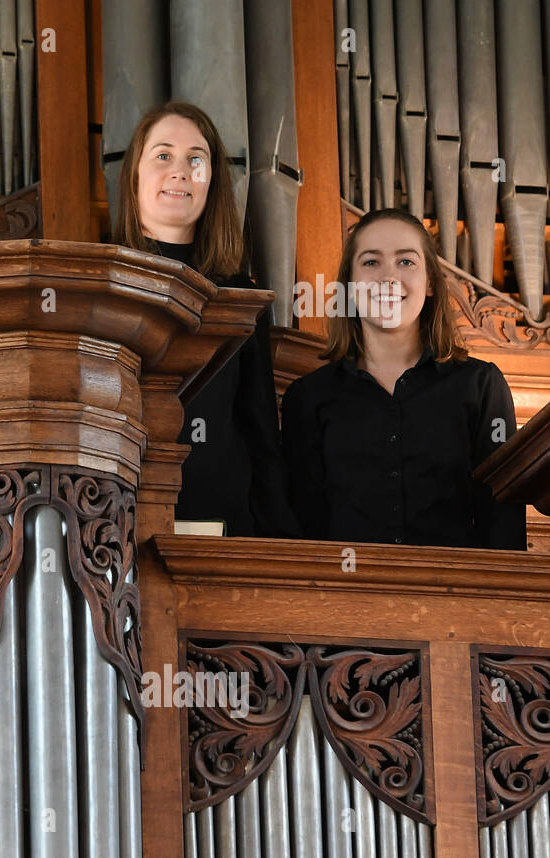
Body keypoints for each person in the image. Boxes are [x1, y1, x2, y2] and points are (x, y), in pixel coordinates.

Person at [282, 207, 526, 550]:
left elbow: (502, 523)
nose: (388, 277)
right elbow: (303, 528)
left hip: (457, 597)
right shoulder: (307, 397)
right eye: (371, 262)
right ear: (350, 287)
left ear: (429, 284)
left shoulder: (480, 385)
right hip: (343, 598)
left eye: (406, 262)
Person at [113, 101, 299, 538]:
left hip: (224, 524)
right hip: (116, 522)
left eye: (196, 159)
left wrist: (279, 544)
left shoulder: (241, 292)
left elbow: (259, 432)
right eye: (163, 155)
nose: (180, 171)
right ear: (134, 175)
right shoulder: (104, 280)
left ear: (211, 180)